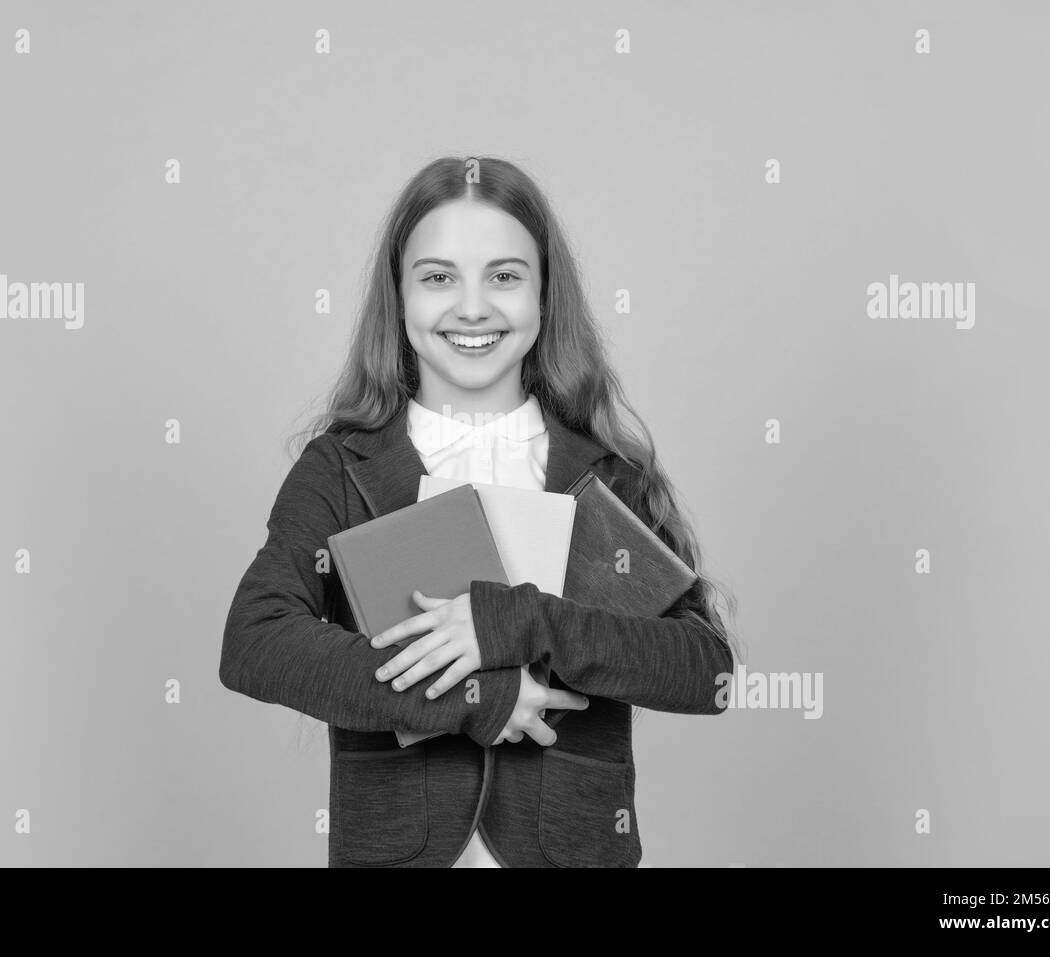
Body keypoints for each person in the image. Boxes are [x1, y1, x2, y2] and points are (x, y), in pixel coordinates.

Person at [219, 155, 743, 867]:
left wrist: (523, 622)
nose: (472, 307)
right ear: (398, 297)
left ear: (544, 295)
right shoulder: (342, 468)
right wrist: (474, 692)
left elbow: (704, 668)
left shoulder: (602, 475)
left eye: (504, 275)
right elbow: (256, 642)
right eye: (438, 277)